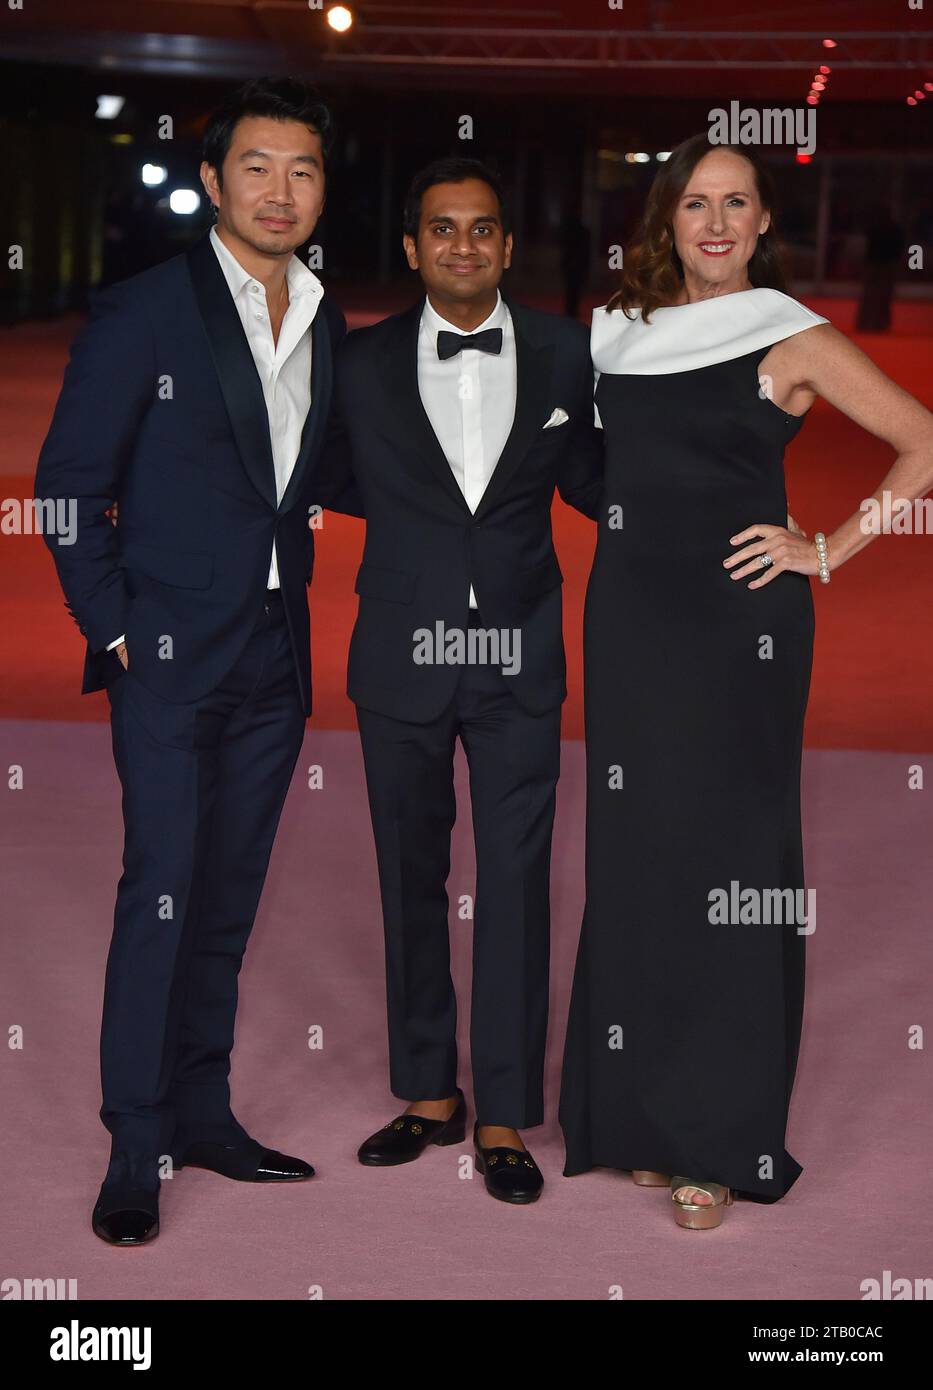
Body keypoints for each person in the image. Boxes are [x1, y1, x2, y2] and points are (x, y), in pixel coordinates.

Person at [559, 134, 933, 1229]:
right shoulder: (617, 336)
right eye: (696, 204)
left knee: (726, 861)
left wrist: (826, 548)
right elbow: (600, 470)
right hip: (629, 623)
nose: (715, 222)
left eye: (737, 203)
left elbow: (921, 442)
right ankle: (632, 1114)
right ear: (667, 219)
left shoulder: (791, 334)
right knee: (638, 856)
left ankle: (715, 1141)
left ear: (764, 222)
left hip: (740, 632)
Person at [35, 76, 359, 1245]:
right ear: (214, 181)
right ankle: (135, 1140)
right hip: (167, 655)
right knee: (160, 890)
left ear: (325, 190)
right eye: (259, 169)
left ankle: (205, 1111)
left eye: (304, 170)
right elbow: (67, 487)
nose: (282, 191)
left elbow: (326, 476)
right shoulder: (146, 313)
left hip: (278, 649)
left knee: (227, 899)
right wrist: (115, 627)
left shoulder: (324, 315)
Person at [329, 157, 604, 1203]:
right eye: (441, 229)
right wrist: (419, 544)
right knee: (408, 873)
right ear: (412, 247)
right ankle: (424, 1091)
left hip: (520, 655)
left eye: (481, 228)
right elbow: (325, 475)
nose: (462, 245)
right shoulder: (356, 365)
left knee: (519, 881)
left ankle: (499, 1109)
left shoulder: (566, 353)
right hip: (398, 651)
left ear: (506, 244)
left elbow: (594, 478)